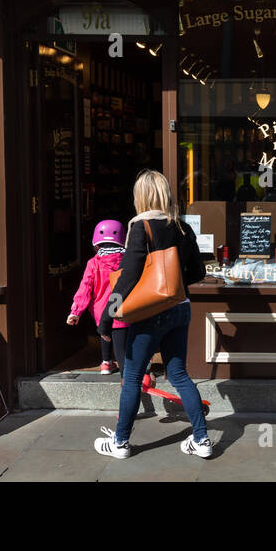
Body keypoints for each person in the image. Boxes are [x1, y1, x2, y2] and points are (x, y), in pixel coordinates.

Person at [94, 170, 212, 461]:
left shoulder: (141, 227)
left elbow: (128, 277)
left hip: (150, 314)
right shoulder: (183, 227)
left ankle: (121, 443)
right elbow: (198, 272)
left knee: (132, 377)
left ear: (141, 197)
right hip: (180, 308)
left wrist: (108, 317)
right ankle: (202, 439)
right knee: (179, 374)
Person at [67, 219, 129, 374]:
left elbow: (85, 288)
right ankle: (126, 369)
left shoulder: (93, 263)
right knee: (121, 337)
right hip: (123, 306)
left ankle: (106, 363)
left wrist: (76, 311)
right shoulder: (128, 261)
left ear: (96, 244)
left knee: (105, 332)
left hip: (100, 309)